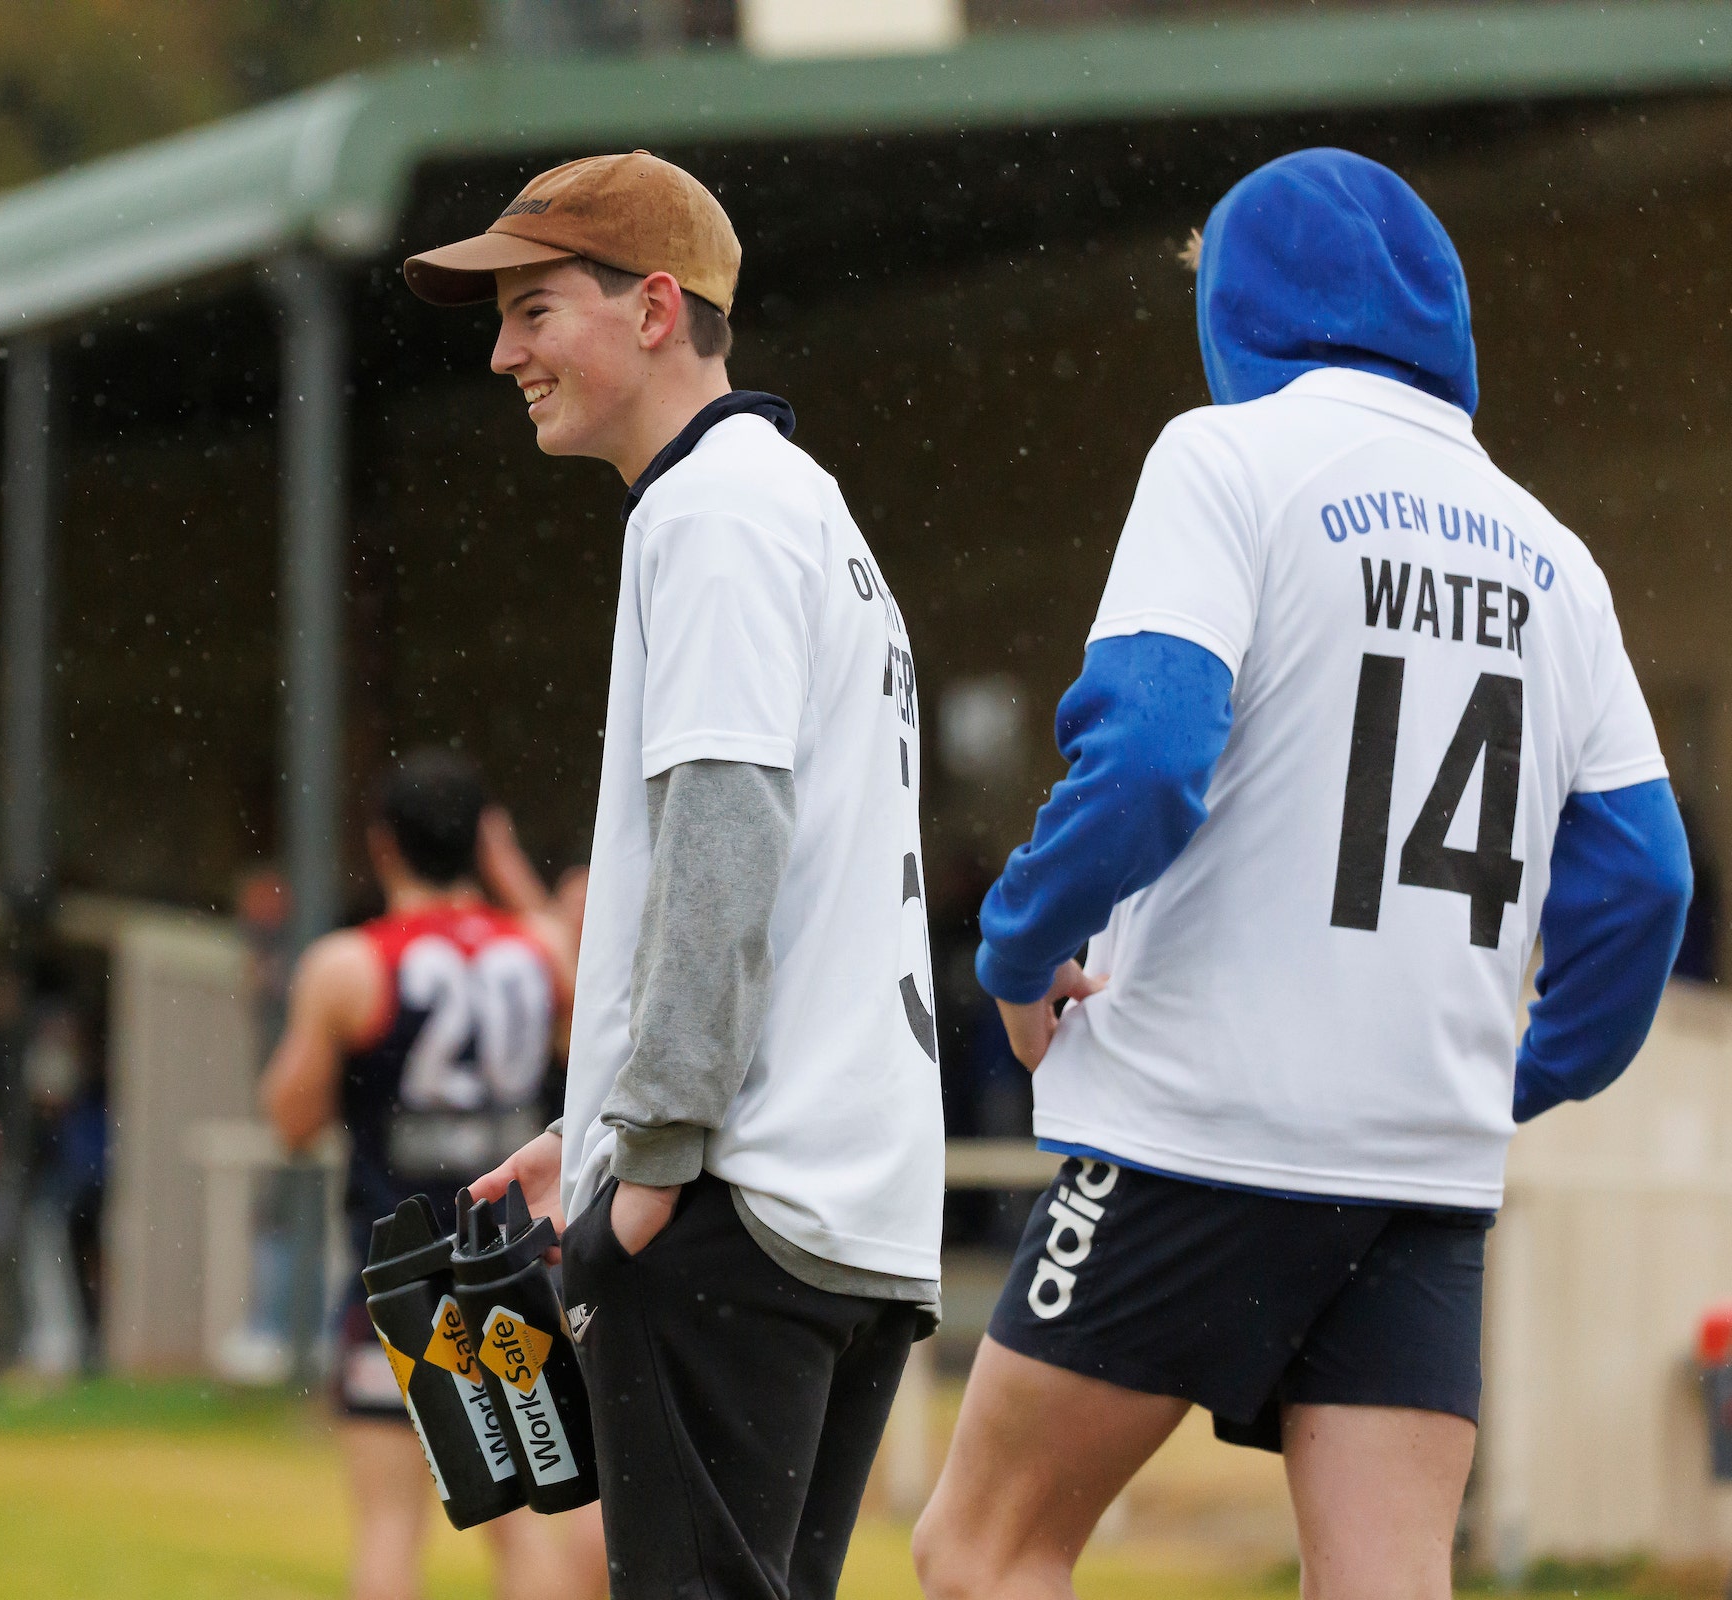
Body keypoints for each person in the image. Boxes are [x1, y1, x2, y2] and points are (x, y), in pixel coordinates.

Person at [912, 150, 1694, 1600]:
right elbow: (1645, 881)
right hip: (1423, 1163)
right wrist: (1520, 1078)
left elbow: (1149, 753)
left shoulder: (1226, 457)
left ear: (1245, 299)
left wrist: (1018, 950)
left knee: (982, 1550)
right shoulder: (1555, 556)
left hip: (1199, 1127)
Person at [406, 151, 946, 1599]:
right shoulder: (806, 506)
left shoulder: (705, 513)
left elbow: (729, 840)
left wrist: (641, 1166)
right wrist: (592, 1123)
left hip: (735, 1202)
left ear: (655, 308)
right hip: (853, 1200)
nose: (505, 350)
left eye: (533, 308)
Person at [259, 749, 601, 1600]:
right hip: (513, 1269)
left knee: (388, 1528)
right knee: (529, 1526)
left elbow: (291, 1120)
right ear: (482, 845)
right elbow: (596, 1014)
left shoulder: (349, 966)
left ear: (383, 846)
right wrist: (509, 872)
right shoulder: (540, 951)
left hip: (401, 1274)